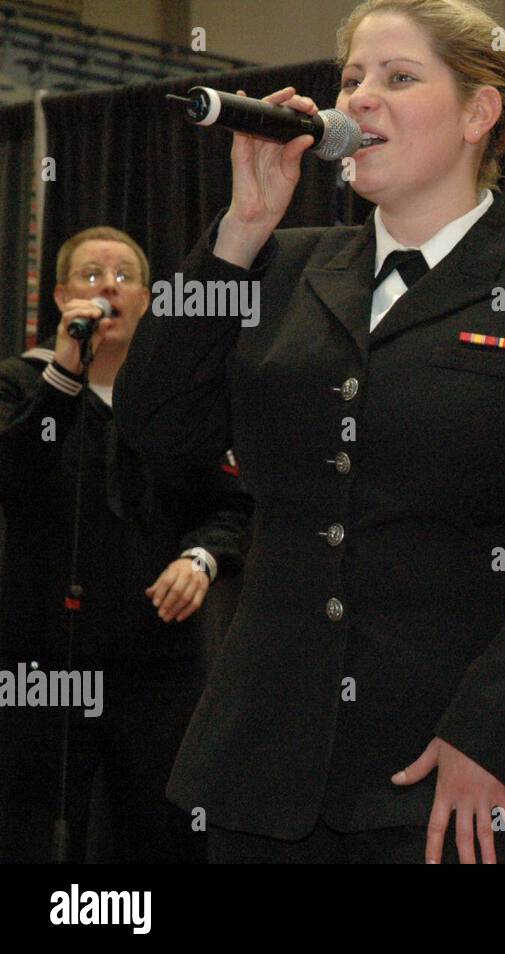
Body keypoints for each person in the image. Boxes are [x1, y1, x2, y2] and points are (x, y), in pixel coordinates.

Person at [116, 0, 505, 863]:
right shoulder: (284, 264)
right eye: (352, 78)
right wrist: (241, 228)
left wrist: (496, 733)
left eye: (398, 78)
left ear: (479, 115)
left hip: (445, 772)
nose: (362, 97)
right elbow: (154, 416)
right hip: (262, 764)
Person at [0, 227, 252, 863]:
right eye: (89, 275)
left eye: (123, 276)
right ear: (61, 298)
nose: (106, 286)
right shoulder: (21, 385)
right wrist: (62, 376)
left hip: (155, 666)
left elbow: (234, 506)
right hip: (43, 666)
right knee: (37, 831)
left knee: (158, 833)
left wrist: (203, 558)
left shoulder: (180, 405)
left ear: (147, 300)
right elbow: (12, 474)